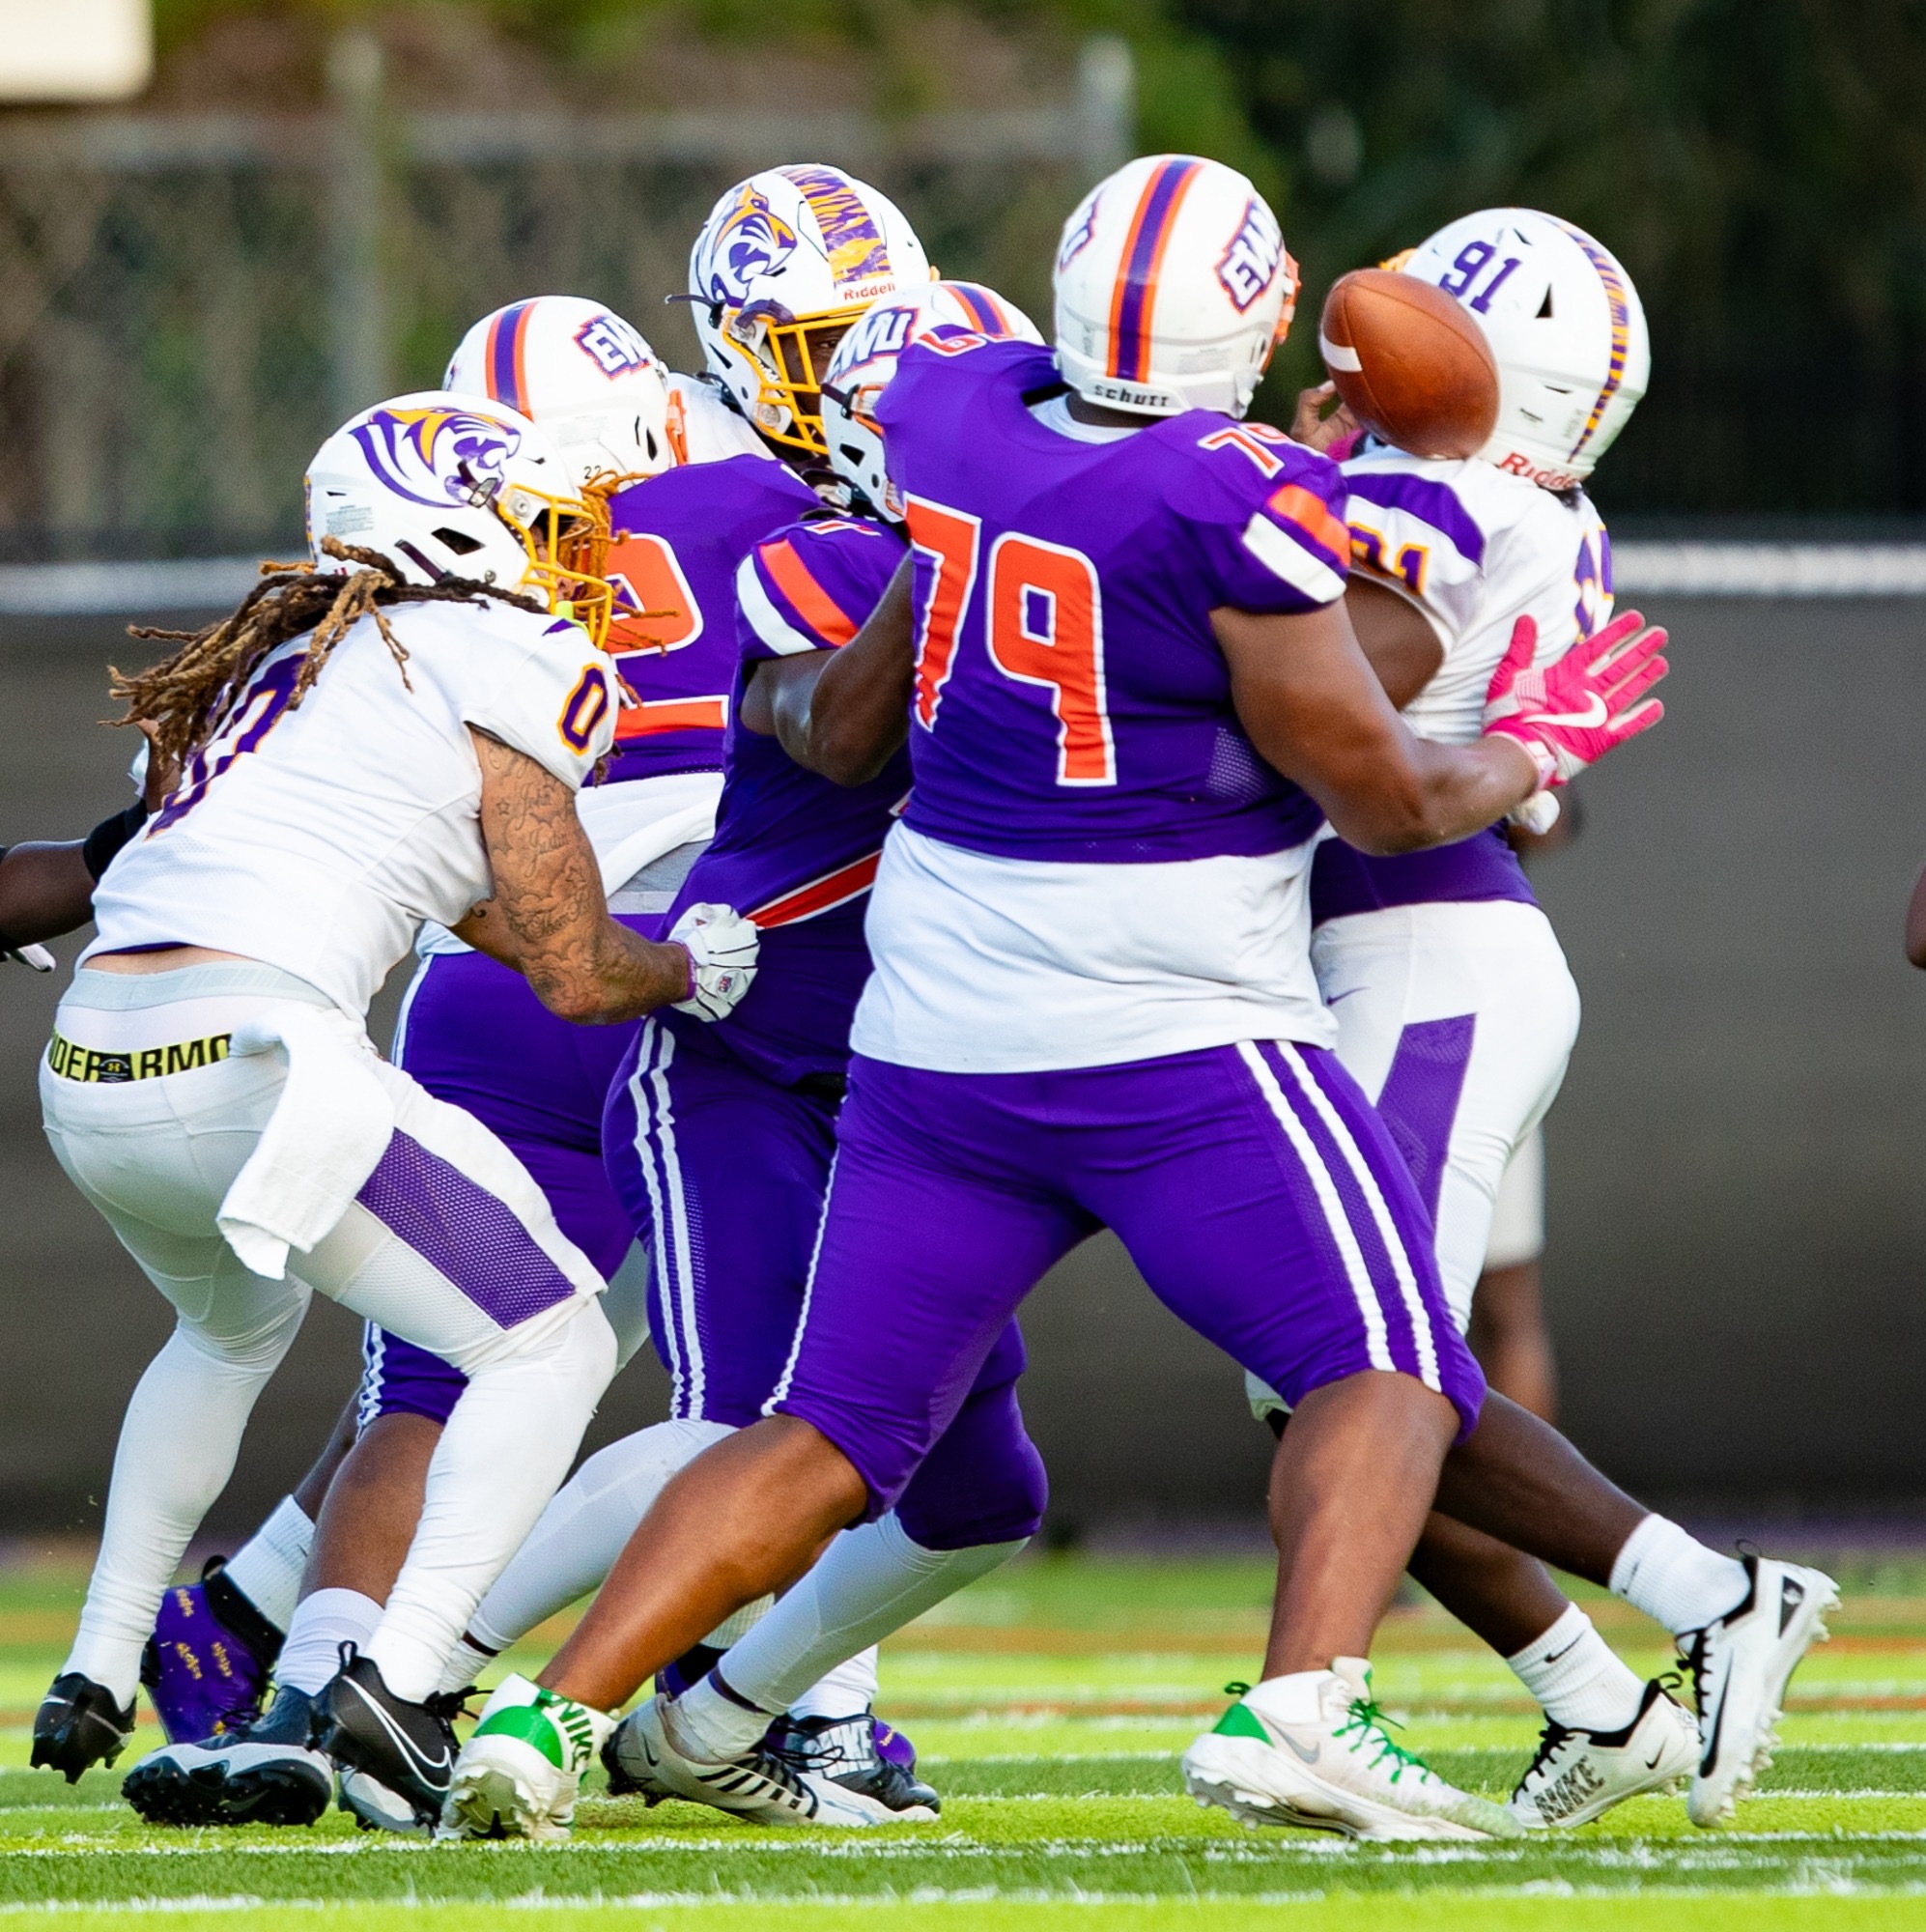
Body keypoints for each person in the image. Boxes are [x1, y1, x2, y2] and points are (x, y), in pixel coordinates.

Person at [442, 153, 1667, 1845]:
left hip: (936, 1027)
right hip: (1169, 1018)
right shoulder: (1240, 500)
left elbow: (1015, 476)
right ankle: (1308, 1709)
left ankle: (538, 1717)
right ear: (1237, 326)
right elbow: (1382, 793)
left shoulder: (952, 418)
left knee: (828, 1429)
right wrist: (1536, 740)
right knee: (1381, 1358)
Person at [137, 169, 940, 1830]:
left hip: (477, 973)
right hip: (701, 974)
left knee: (436, 1378)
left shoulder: (444, 560)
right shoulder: (798, 509)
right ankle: (782, 1716)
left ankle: (307, 1687)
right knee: (794, 1389)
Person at [36, 388, 757, 1820]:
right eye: (543, 523)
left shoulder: (264, 664)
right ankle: (404, 1678)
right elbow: (570, 962)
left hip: (92, 1067)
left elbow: (464, 895)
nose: (566, 555)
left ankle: (101, 1663)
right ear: (453, 525)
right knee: (547, 1336)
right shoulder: (512, 650)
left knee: (225, 1326)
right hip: (259, 1058)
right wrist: (686, 962)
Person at [442, 282, 1049, 1838]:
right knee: (759, 1420)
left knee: (981, 1493)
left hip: (914, 1079)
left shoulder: (1036, 568)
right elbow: (850, 728)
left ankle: (723, 1720)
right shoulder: (808, 544)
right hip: (747, 1044)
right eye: (989, 422)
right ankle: (413, 1666)